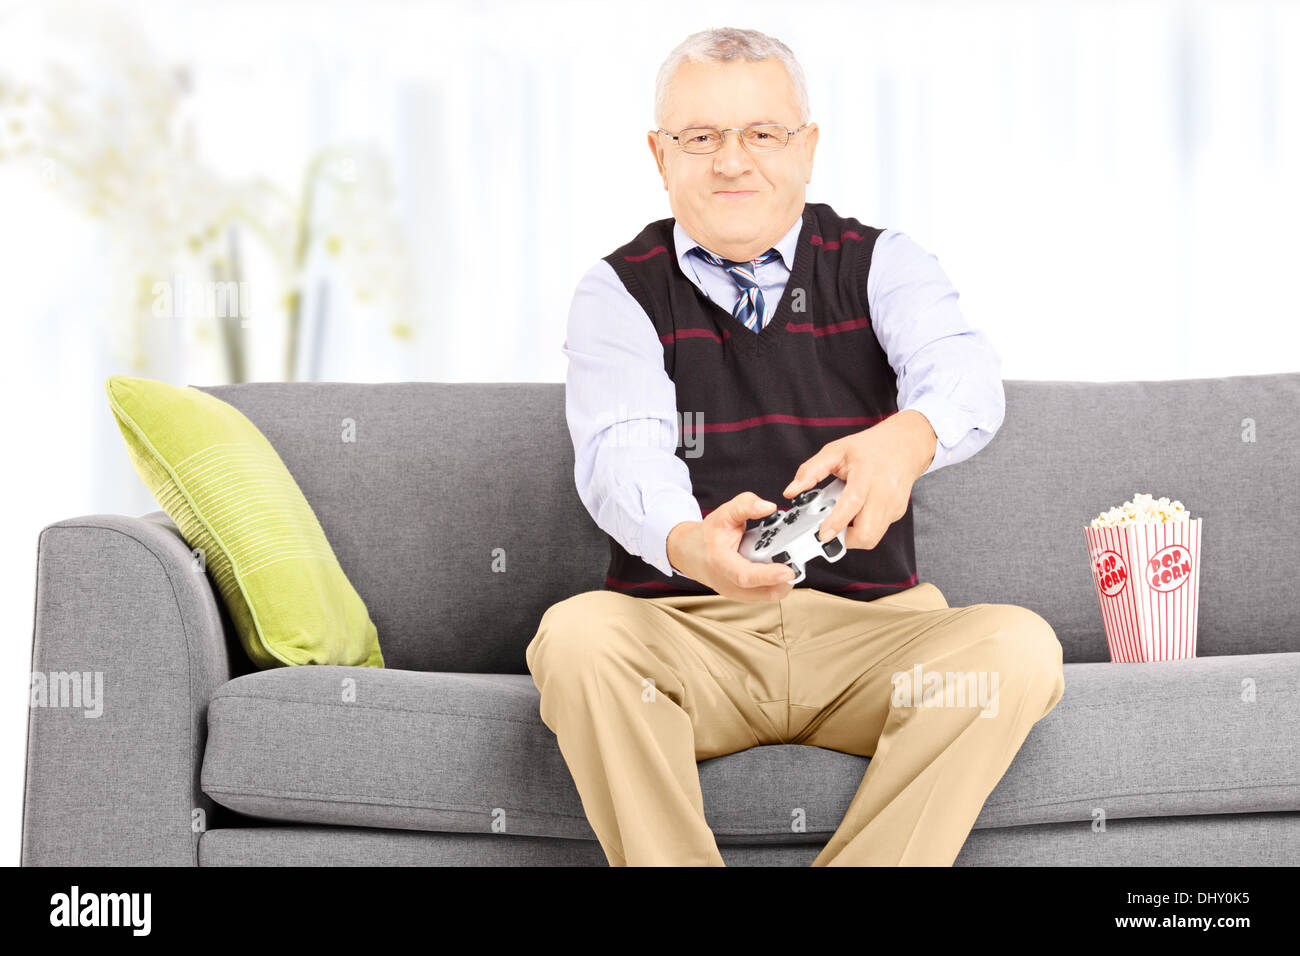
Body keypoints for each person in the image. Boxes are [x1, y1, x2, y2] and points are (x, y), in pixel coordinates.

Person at [526, 26, 1065, 866]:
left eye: (762, 133)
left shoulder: (883, 262)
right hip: (689, 637)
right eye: (699, 137)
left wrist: (907, 439)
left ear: (807, 148)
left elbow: (964, 373)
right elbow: (621, 456)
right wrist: (693, 546)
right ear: (658, 156)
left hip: (872, 639)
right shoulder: (616, 291)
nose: (732, 162)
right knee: (577, 638)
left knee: (1017, 647)